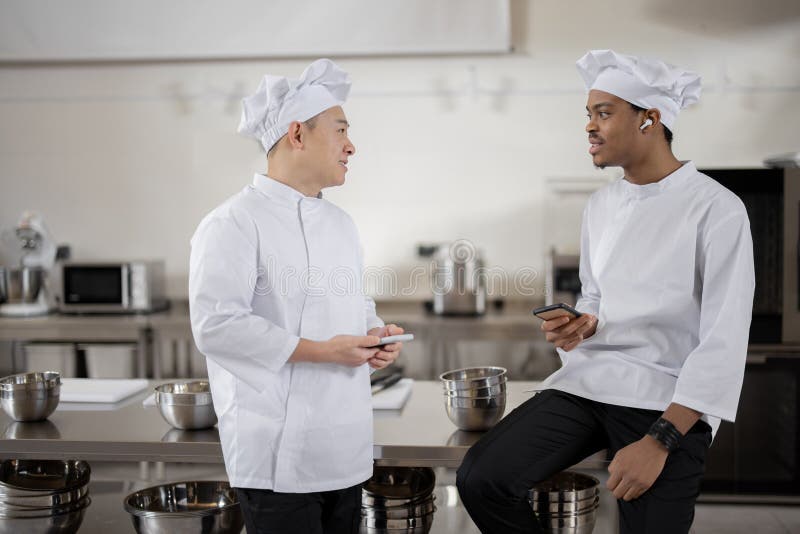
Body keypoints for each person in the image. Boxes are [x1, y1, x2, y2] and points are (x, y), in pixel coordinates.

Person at [456, 49, 755, 534]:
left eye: (604, 112)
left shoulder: (717, 210)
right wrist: (583, 324)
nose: (589, 127)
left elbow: (723, 342)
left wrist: (659, 441)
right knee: (481, 478)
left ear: (650, 119)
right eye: (588, 115)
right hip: (592, 384)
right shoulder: (602, 204)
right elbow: (597, 297)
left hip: (669, 399)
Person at [189, 58, 405, 534]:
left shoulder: (341, 224)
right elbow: (217, 326)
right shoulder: (232, 223)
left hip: (343, 444)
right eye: (341, 130)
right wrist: (323, 351)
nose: (352, 146)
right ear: (297, 134)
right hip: (274, 453)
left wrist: (374, 333)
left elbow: (354, 300)